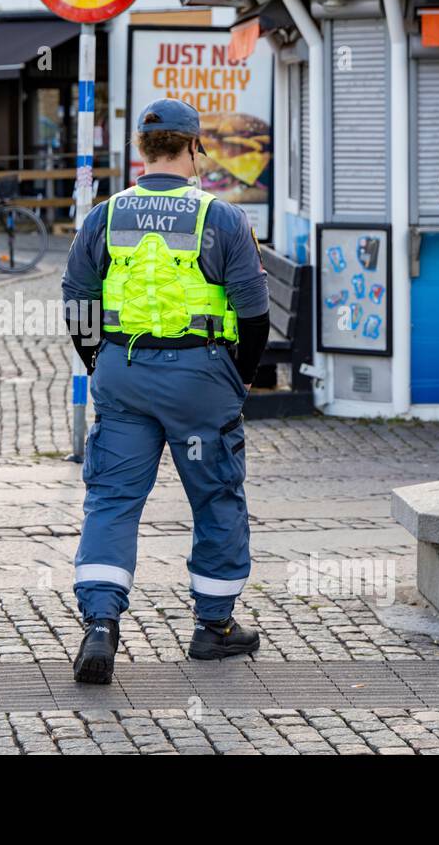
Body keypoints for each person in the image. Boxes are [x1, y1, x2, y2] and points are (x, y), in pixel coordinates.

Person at [62, 98, 272, 684]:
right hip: (200, 378)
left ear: (141, 150)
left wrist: (98, 360)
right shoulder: (221, 218)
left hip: (123, 373)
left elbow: (77, 299)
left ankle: (101, 623)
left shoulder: (104, 216)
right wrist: (241, 380)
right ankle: (214, 628)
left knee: (112, 500)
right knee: (216, 497)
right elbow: (255, 316)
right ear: (194, 148)